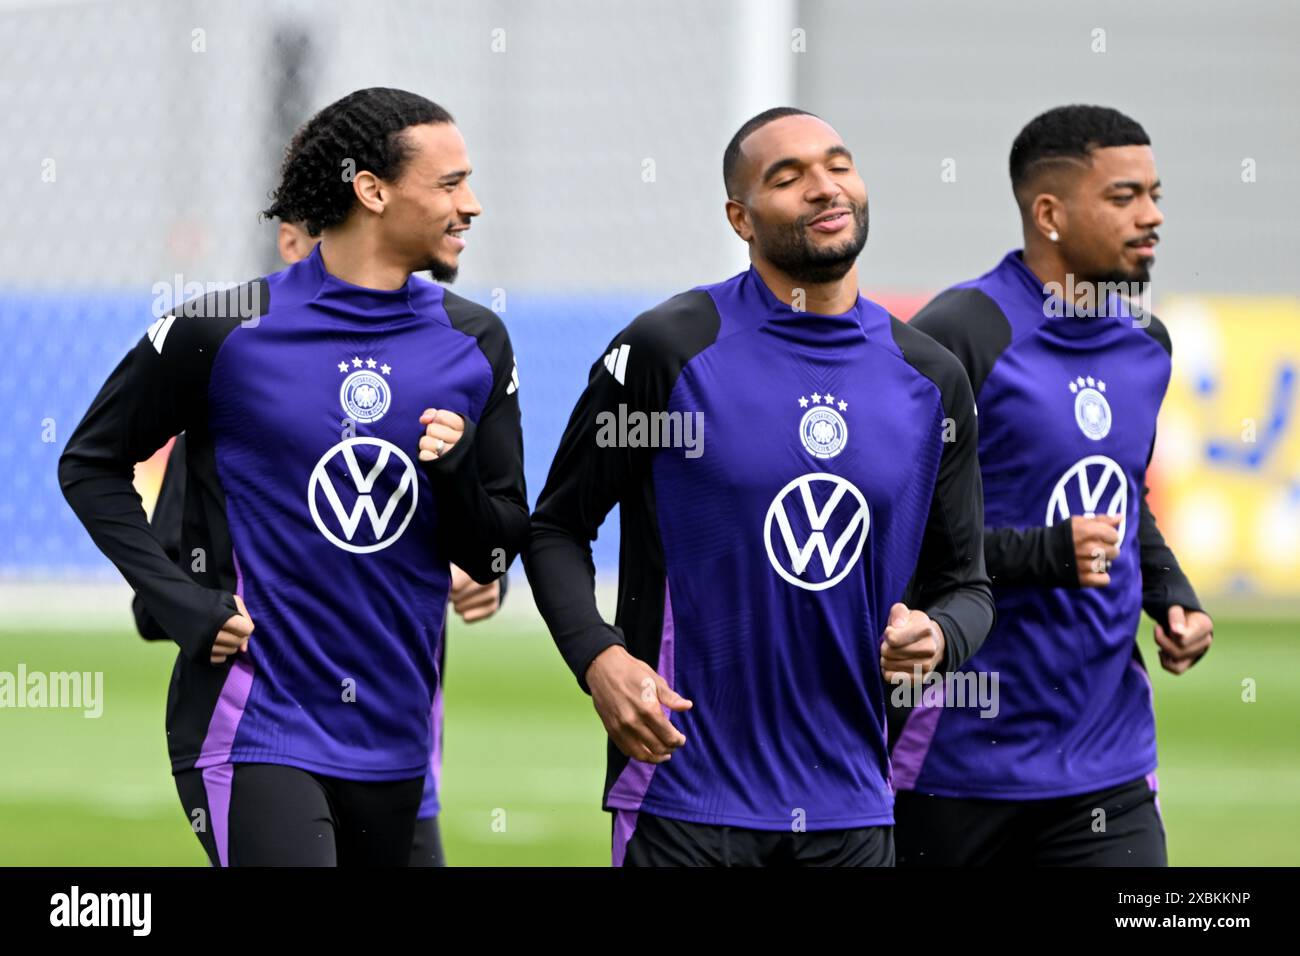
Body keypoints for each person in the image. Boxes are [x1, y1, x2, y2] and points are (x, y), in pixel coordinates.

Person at [61, 87, 527, 866]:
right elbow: (90, 462)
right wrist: (180, 602)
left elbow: (495, 551)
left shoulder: (476, 341)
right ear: (371, 190)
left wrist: (453, 480)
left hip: (398, 736)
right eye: (449, 184)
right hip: (254, 722)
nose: (471, 205)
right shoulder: (223, 330)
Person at [525, 107, 994, 867]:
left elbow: (968, 586)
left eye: (838, 165)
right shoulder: (667, 349)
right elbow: (555, 527)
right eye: (789, 176)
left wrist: (939, 637)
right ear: (740, 218)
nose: (824, 187)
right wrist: (599, 658)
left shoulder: (931, 379)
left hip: (853, 808)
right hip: (682, 795)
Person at [897, 104, 1213, 866]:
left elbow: (1123, 498)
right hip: (958, 759)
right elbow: (899, 527)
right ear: (1049, 213)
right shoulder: (962, 333)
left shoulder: (1147, 344)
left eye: (1155, 194)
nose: (1153, 216)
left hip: (1107, 758)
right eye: (1125, 197)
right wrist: (1045, 554)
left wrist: (1170, 593)